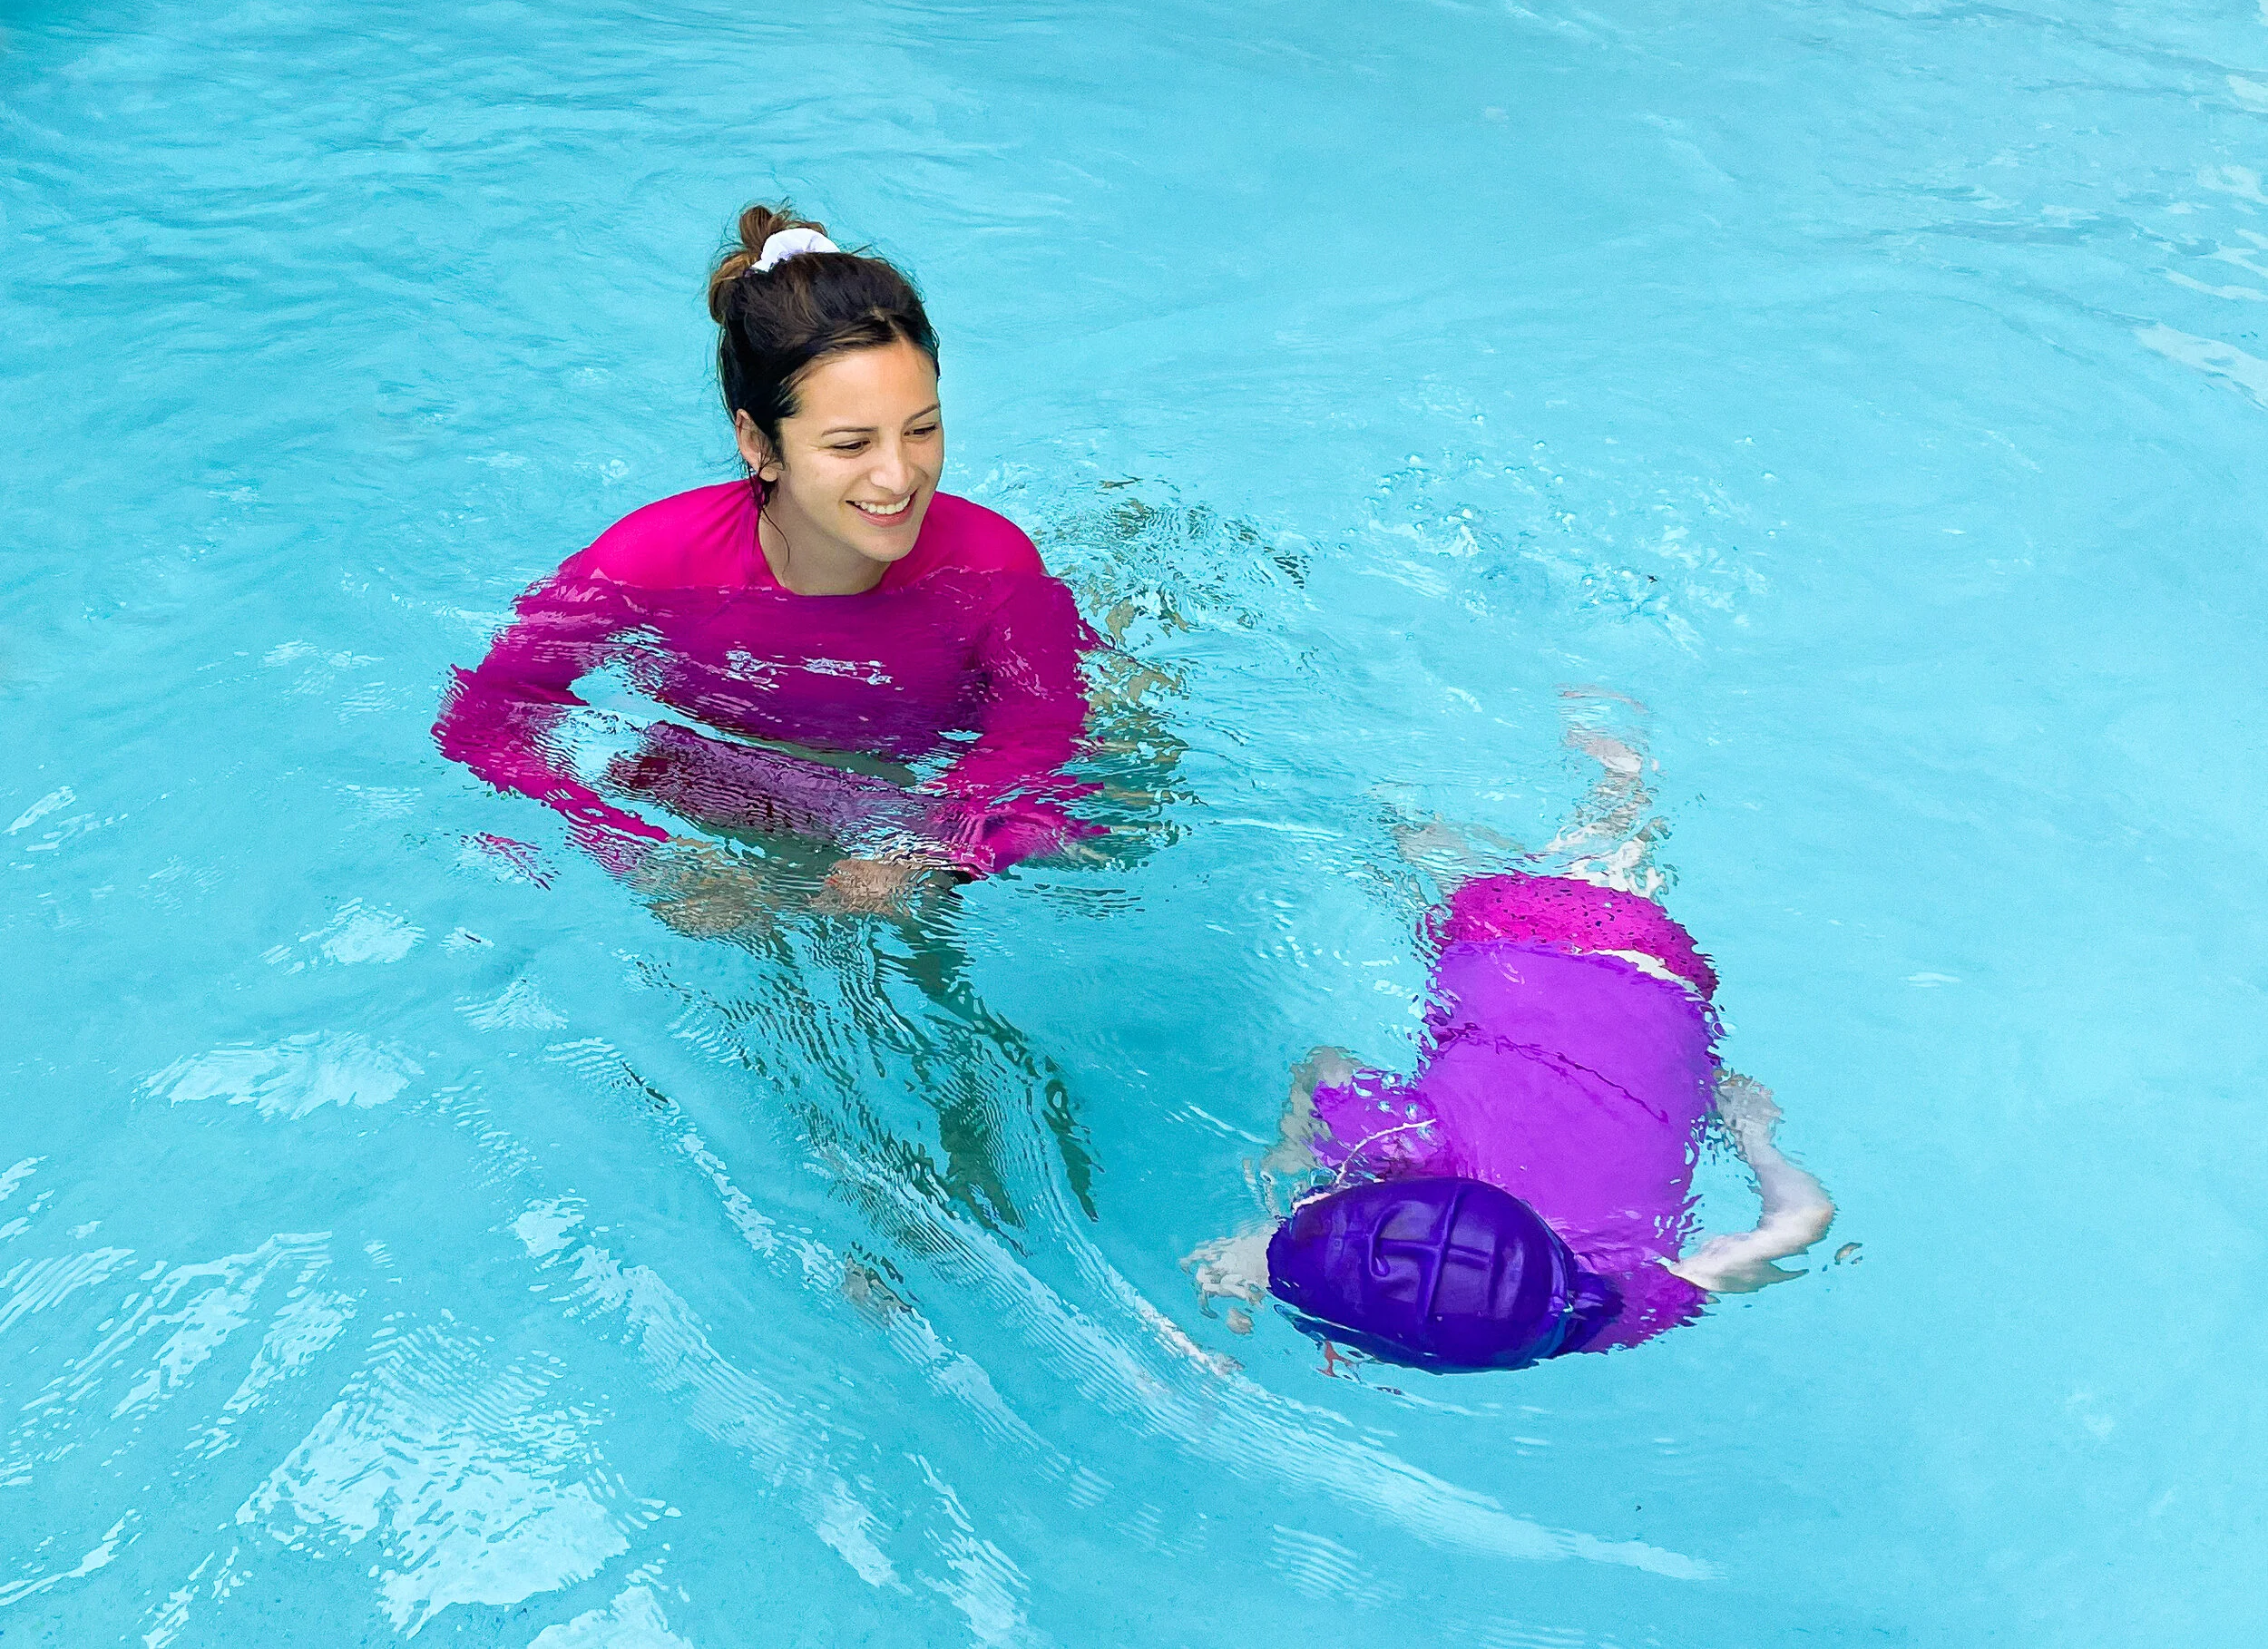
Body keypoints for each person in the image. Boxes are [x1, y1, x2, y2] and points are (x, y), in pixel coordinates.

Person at [435, 204, 1097, 922]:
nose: (899, 475)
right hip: (721, 788)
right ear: (758, 443)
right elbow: (485, 714)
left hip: (909, 798)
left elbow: (1042, 739)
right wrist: (644, 857)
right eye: (851, 444)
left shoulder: (994, 571)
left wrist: (930, 849)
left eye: (922, 429)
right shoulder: (650, 564)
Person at [1182, 705, 1834, 1370]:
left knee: (1614, 858)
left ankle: (1623, 794)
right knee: (1420, 851)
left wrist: (1754, 1136)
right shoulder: (1411, 1142)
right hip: (1517, 935)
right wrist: (1296, 1151)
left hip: (1672, 978)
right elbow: (1327, 1068)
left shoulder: (1616, 1302)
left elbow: (1803, 1219)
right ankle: (1574, 788)